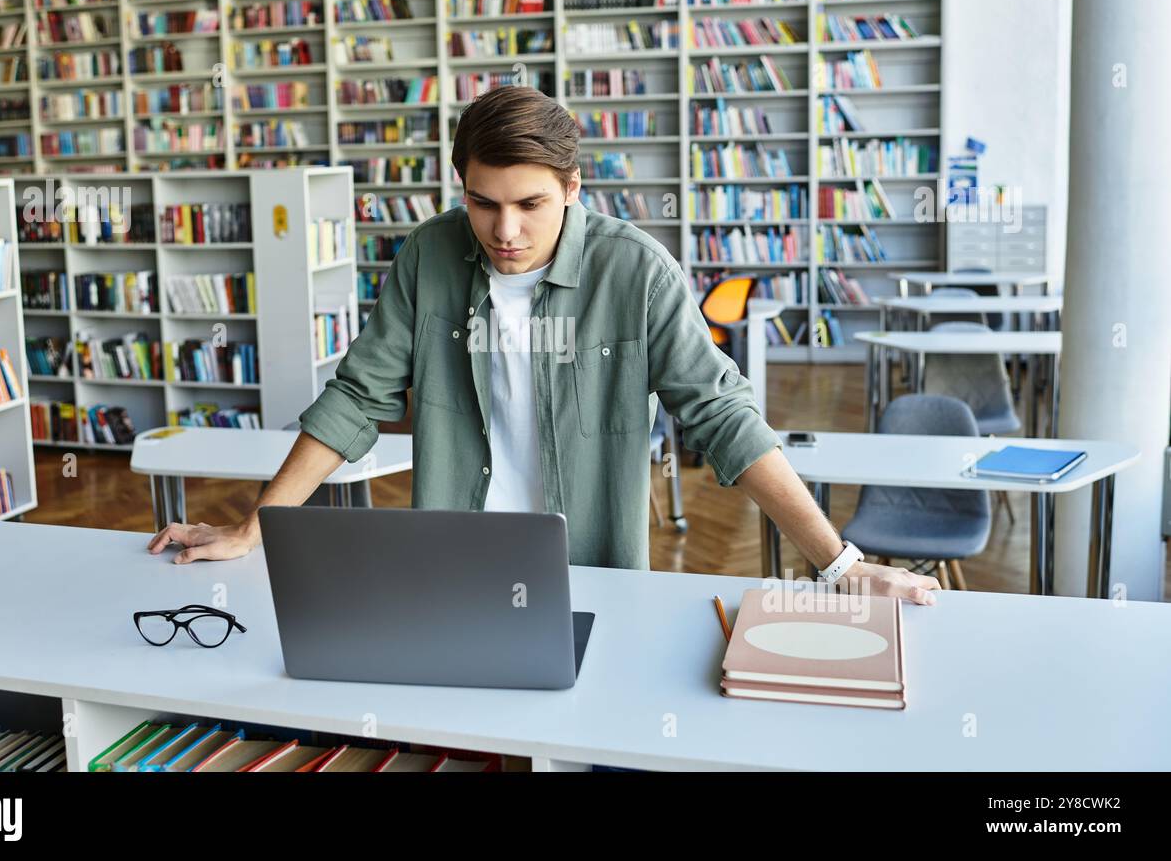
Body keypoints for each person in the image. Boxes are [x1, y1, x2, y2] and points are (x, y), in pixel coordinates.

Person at [147, 85, 938, 606]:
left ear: (572, 187)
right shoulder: (428, 256)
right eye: (482, 204)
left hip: (591, 574)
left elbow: (723, 414)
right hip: (452, 562)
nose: (505, 231)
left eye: (530, 203)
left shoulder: (636, 271)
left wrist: (839, 565)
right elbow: (357, 396)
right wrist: (259, 525)